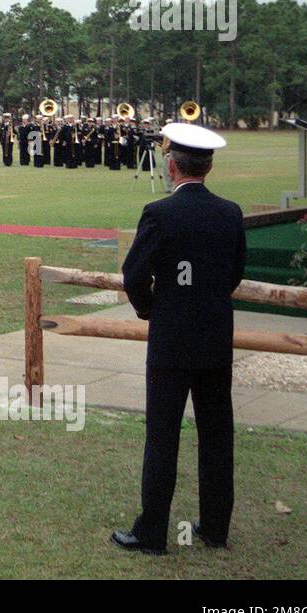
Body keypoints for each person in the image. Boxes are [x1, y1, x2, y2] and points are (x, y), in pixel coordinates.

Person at [112, 122, 245, 555]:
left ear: (171, 165)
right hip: (214, 338)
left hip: (171, 341)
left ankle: (152, 532)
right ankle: (216, 528)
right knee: (217, 435)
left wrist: (152, 308)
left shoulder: (160, 213)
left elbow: (134, 275)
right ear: (208, 166)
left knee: (163, 436)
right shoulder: (230, 213)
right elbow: (234, 274)